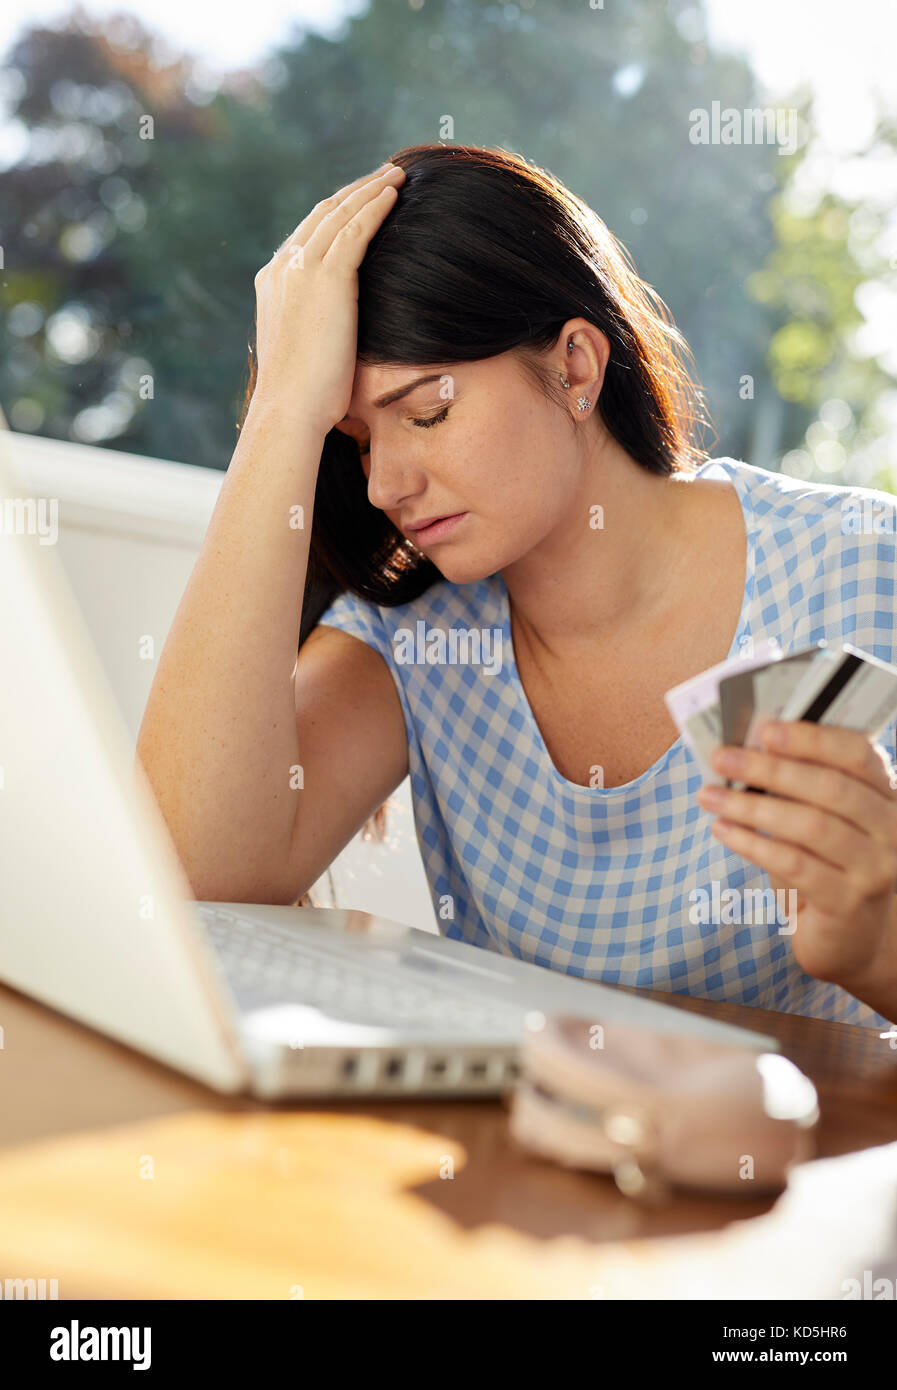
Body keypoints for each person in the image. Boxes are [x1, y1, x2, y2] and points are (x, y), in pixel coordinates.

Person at [136, 143, 897, 1031]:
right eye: (357, 439)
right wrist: (278, 415)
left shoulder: (858, 566)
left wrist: (879, 947)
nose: (385, 485)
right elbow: (189, 875)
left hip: (812, 1156)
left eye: (427, 413)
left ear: (575, 367)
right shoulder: (418, 636)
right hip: (531, 1154)